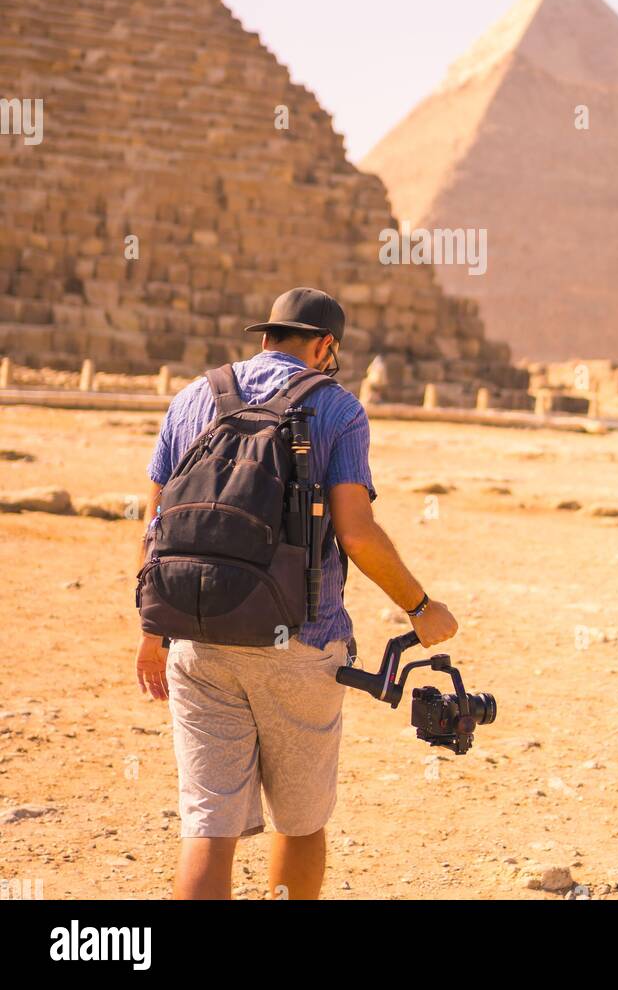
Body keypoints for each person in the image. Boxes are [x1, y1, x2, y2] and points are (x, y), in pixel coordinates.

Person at [134, 286, 457, 900]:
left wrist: (154, 632)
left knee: (208, 827)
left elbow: (155, 528)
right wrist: (420, 608)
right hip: (302, 641)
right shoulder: (337, 409)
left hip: (196, 639)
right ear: (325, 345)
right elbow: (356, 534)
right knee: (302, 823)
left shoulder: (194, 397)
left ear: (266, 336)